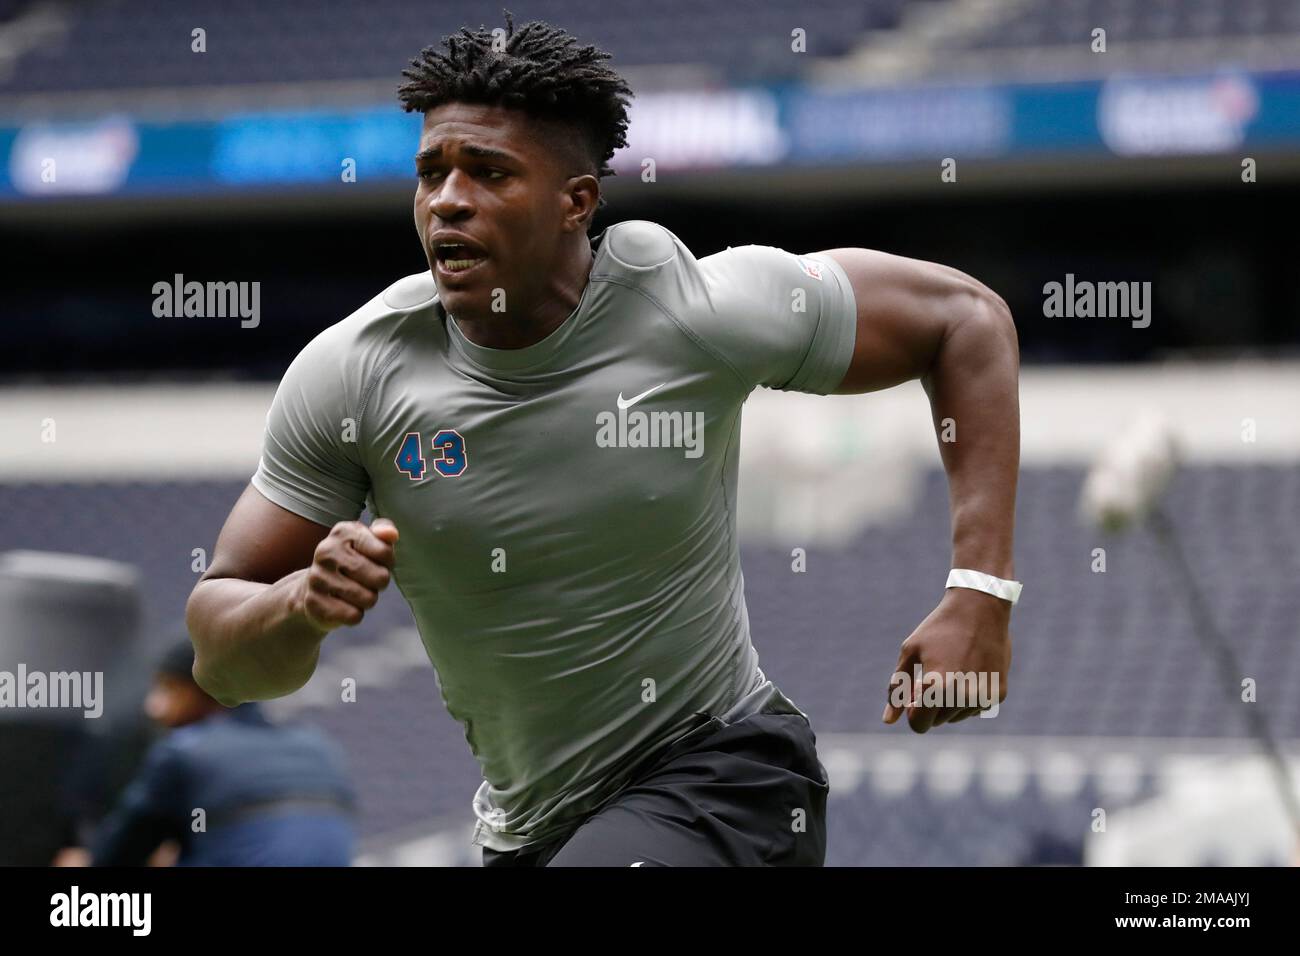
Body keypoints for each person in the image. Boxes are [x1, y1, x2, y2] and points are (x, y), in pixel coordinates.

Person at [186, 14, 1021, 867]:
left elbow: (965, 320)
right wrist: (298, 605)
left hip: (725, 775)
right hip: (532, 834)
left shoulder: (694, 310)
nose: (448, 199)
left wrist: (980, 591)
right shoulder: (354, 376)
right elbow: (222, 659)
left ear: (574, 202)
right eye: (431, 171)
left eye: (489, 172)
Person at [84, 640, 355, 866]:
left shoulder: (184, 751)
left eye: (167, 689)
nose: (154, 707)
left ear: (206, 687)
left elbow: (116, 856)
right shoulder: (320, 749)